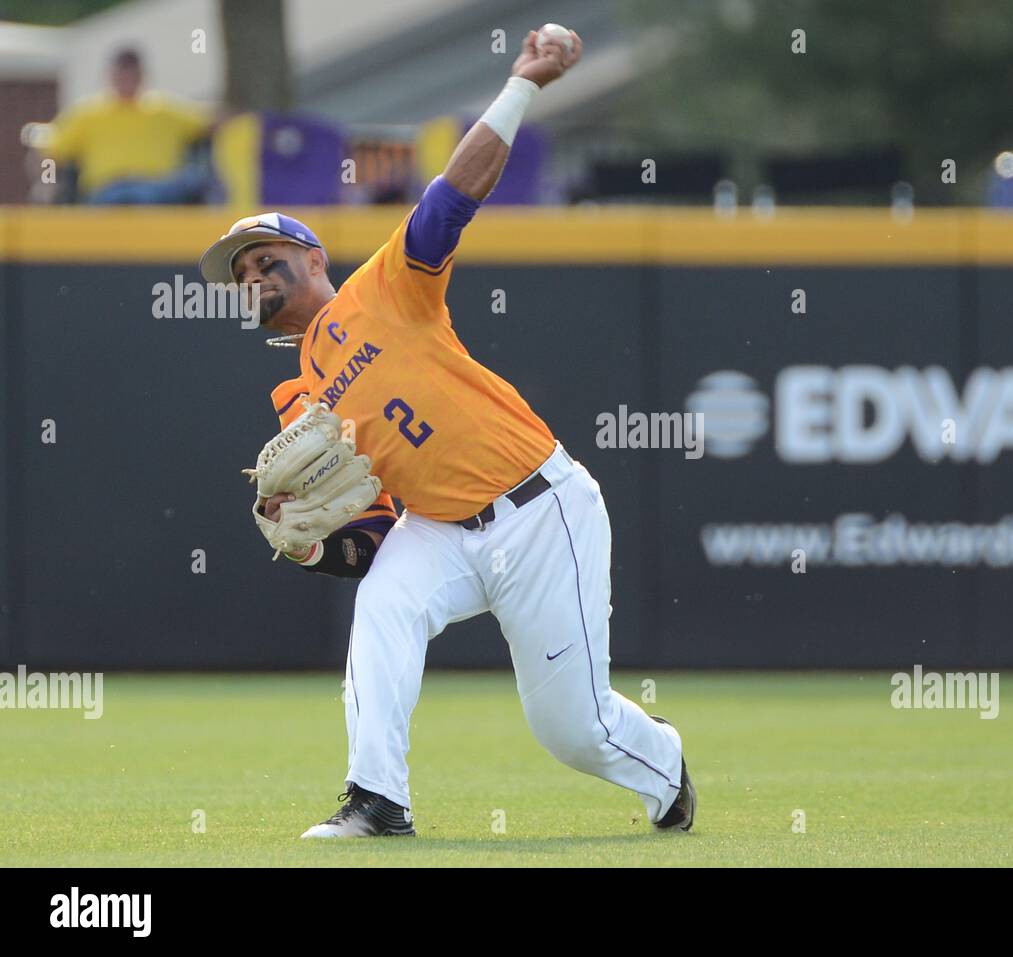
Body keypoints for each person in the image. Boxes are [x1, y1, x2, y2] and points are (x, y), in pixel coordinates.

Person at [198, 28, 695, 837]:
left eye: (262, 258)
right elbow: (366, 535)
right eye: (240, 273)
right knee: (386, 608)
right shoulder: (297, 395)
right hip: (436, 528)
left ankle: (664, 766)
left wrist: (523, 85)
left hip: (538, 507)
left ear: (312, 254)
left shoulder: (382, 288)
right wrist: (312, 543)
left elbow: (452, 195)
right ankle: (376, 801)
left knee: (573, 731)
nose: (250, 278)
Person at [44, 48, 210, 204]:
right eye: (122, 77)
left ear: (142, 76)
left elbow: (210, 122)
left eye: (132, 77)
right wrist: (48, 183)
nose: (127, 83)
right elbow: (51, 151)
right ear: (111, 77)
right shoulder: (87, 113)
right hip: (107, 190)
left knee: (190, 179)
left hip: (160, 189)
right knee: (129, 196)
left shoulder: (166, 110)